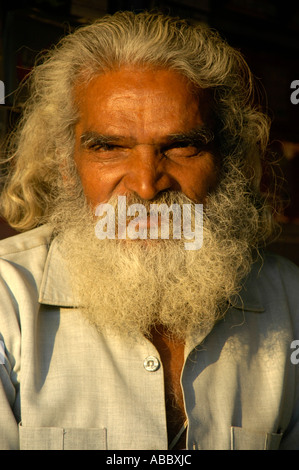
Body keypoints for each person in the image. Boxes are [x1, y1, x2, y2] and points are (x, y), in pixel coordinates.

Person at [0, 10, 298, 451]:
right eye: (110, 147)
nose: (146, 185)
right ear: (67, 166)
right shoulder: (8, 302)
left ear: (227, 164)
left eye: (181, 146)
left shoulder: (290, 304)